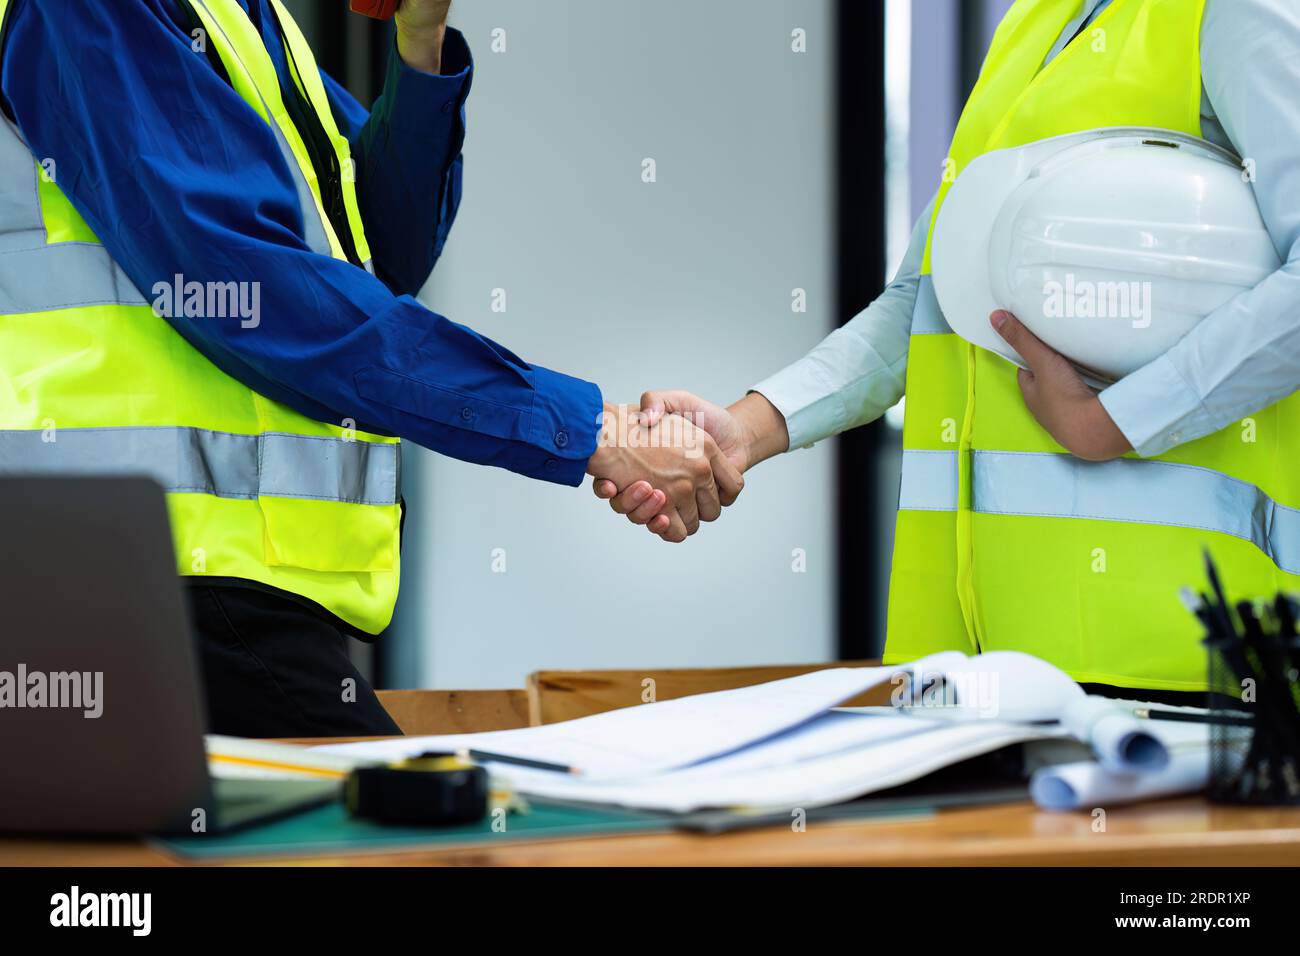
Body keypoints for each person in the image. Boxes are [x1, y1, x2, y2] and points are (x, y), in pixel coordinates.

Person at [0, 0, 741, 737]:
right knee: (418, 845)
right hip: (146, 578)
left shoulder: (241, 16)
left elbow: (374, 251)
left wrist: (420, 45)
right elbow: (260, 295)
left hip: (215, 589)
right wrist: (590, 429)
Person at [600, 0, 1300, 703]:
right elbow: (929, 302)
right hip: (988, 664)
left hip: (1191, 664)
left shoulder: (1234, 13)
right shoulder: (1030, 28)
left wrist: (1118, 421)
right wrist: (746, 430)